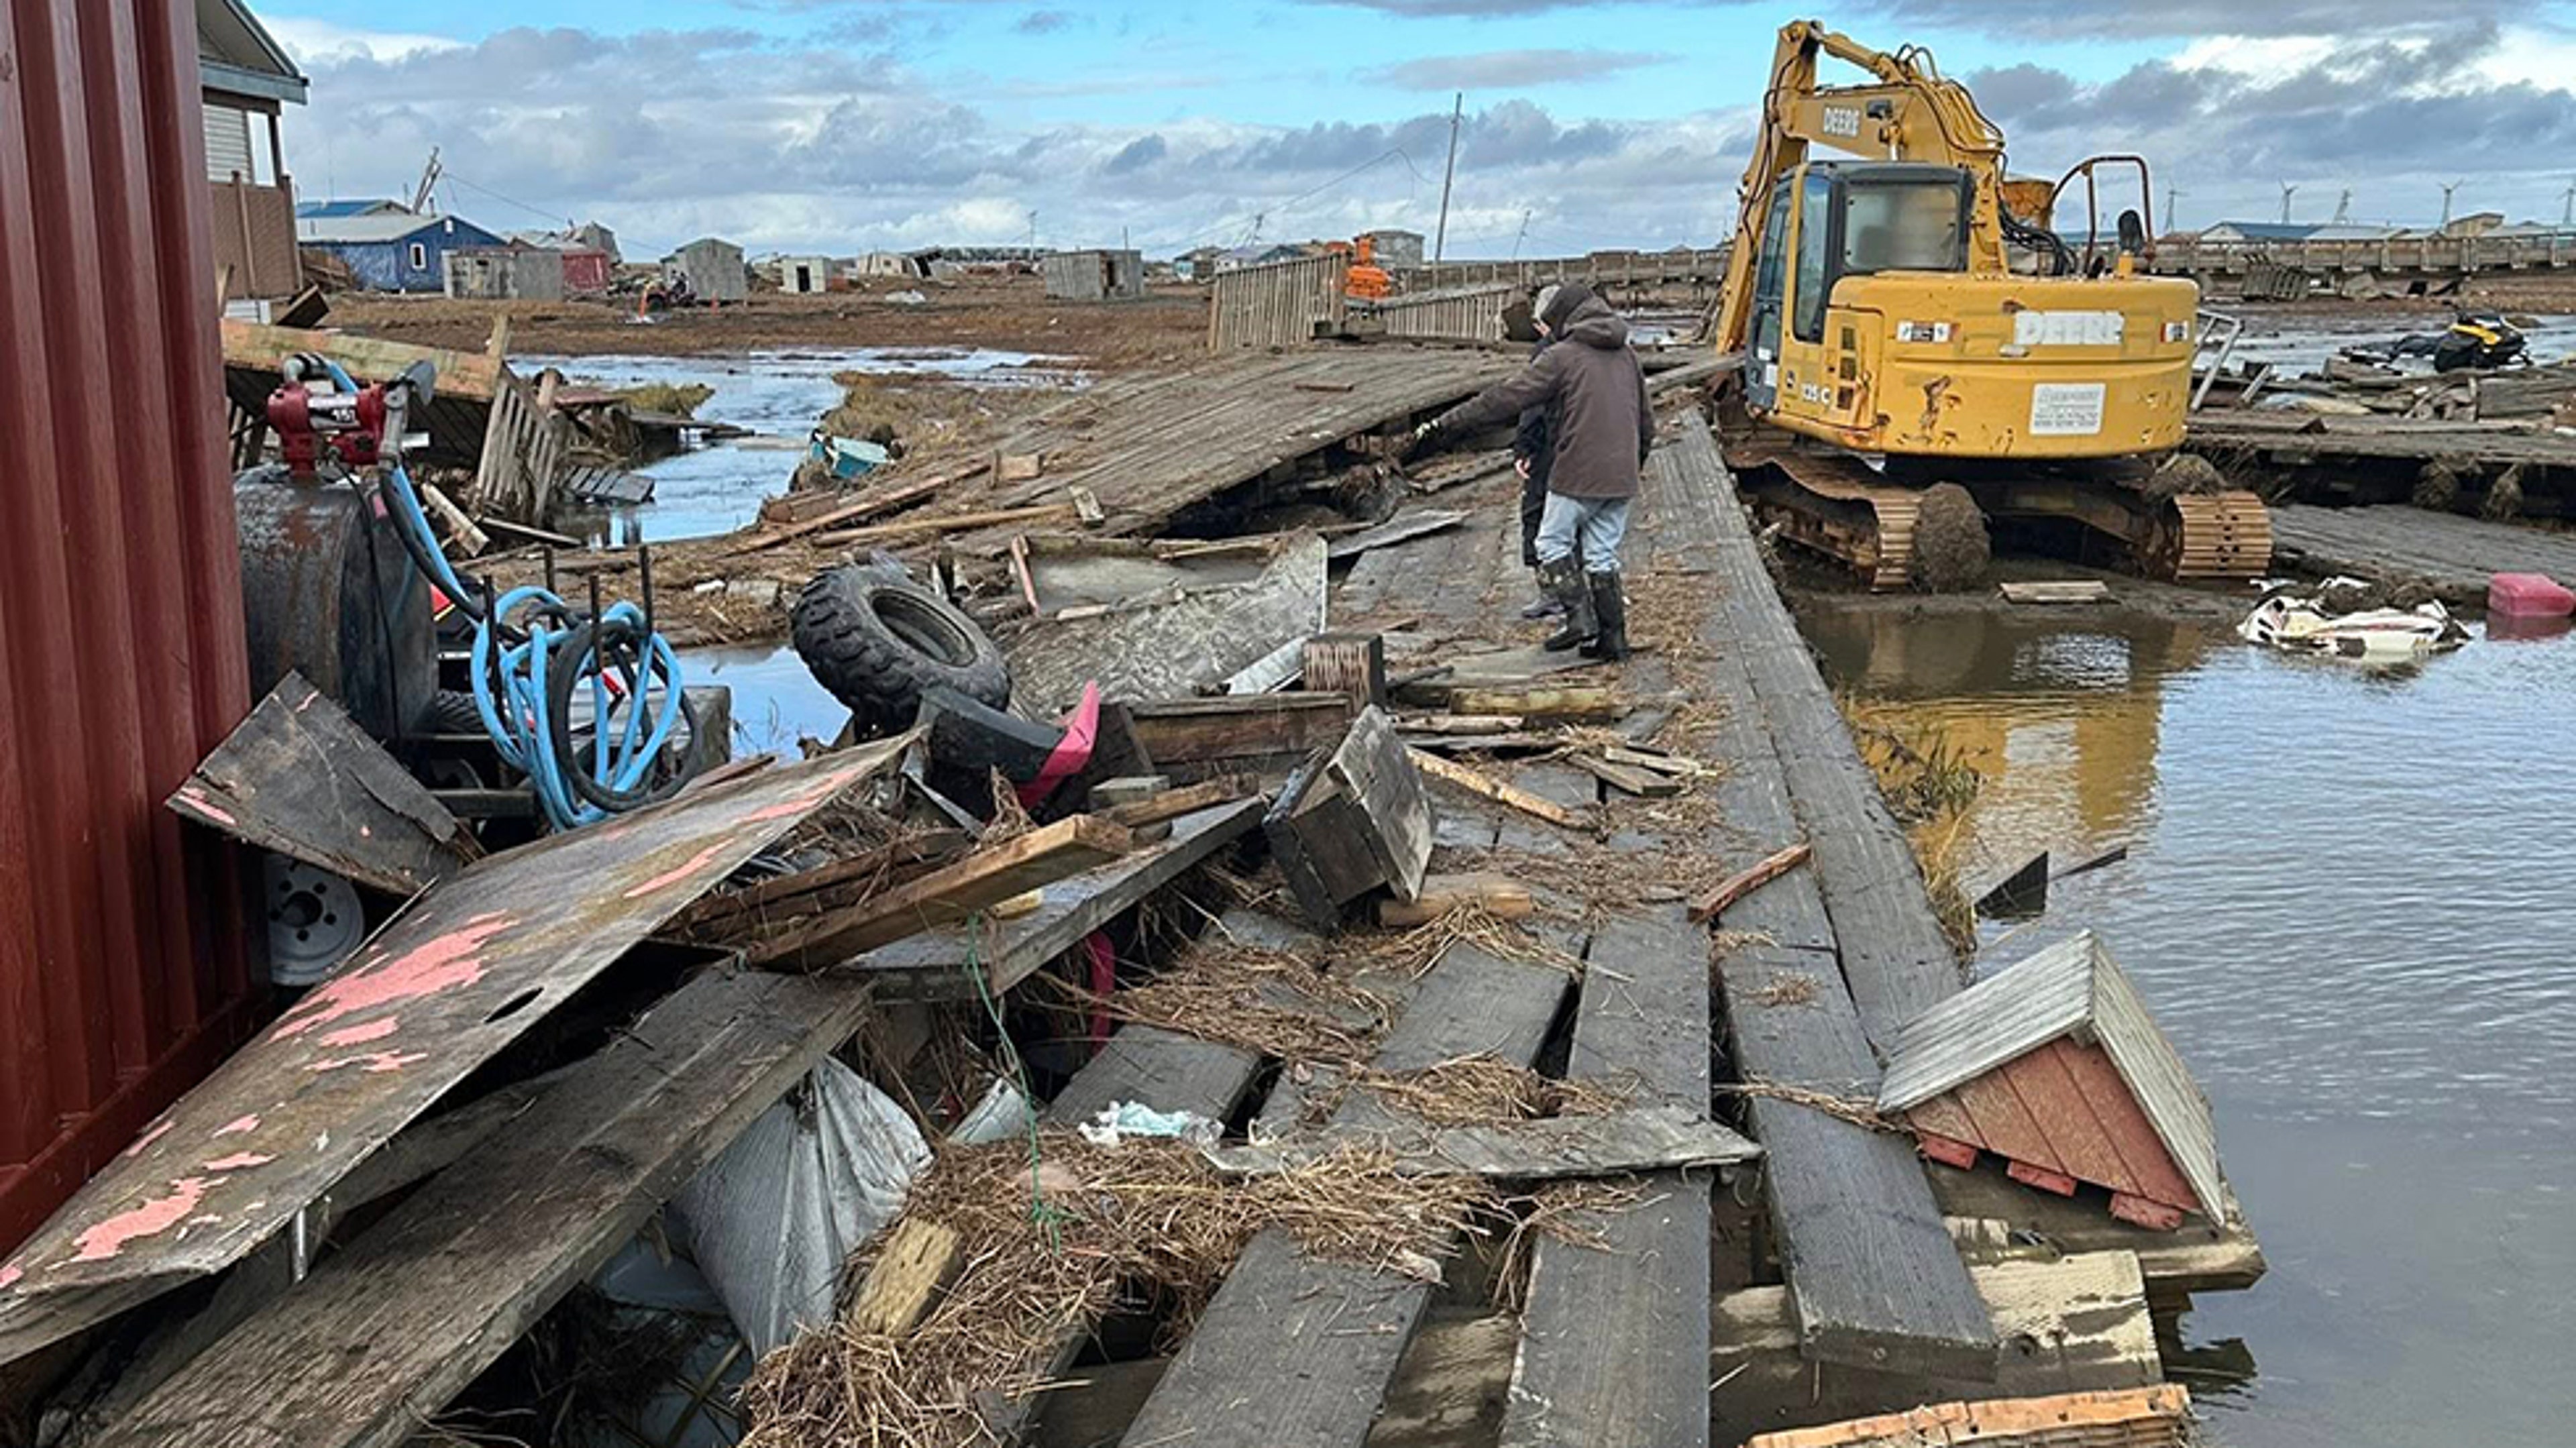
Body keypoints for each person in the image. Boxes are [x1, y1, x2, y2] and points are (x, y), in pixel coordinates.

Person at [1409, 281, 1652, 659]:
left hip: (1577, 469)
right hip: (1621, 474)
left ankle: (1579, 619)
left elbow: (1505, 398)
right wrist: (1632, 467)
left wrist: (1444, 425)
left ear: (1564, 321)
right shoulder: (1628, 356)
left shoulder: (1562, 356)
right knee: (1602, 555)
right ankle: (1613, 641)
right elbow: (1647, 422)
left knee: (1550, 543)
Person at [1498, 295, 1561, 620]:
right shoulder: (1602, 351)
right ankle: (1581, 595)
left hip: (1550, 446)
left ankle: (1552, 592)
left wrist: (1524, 447)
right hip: (1585, 448)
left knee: (1538, 515)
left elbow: (1533, 406)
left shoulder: (1548, 354)